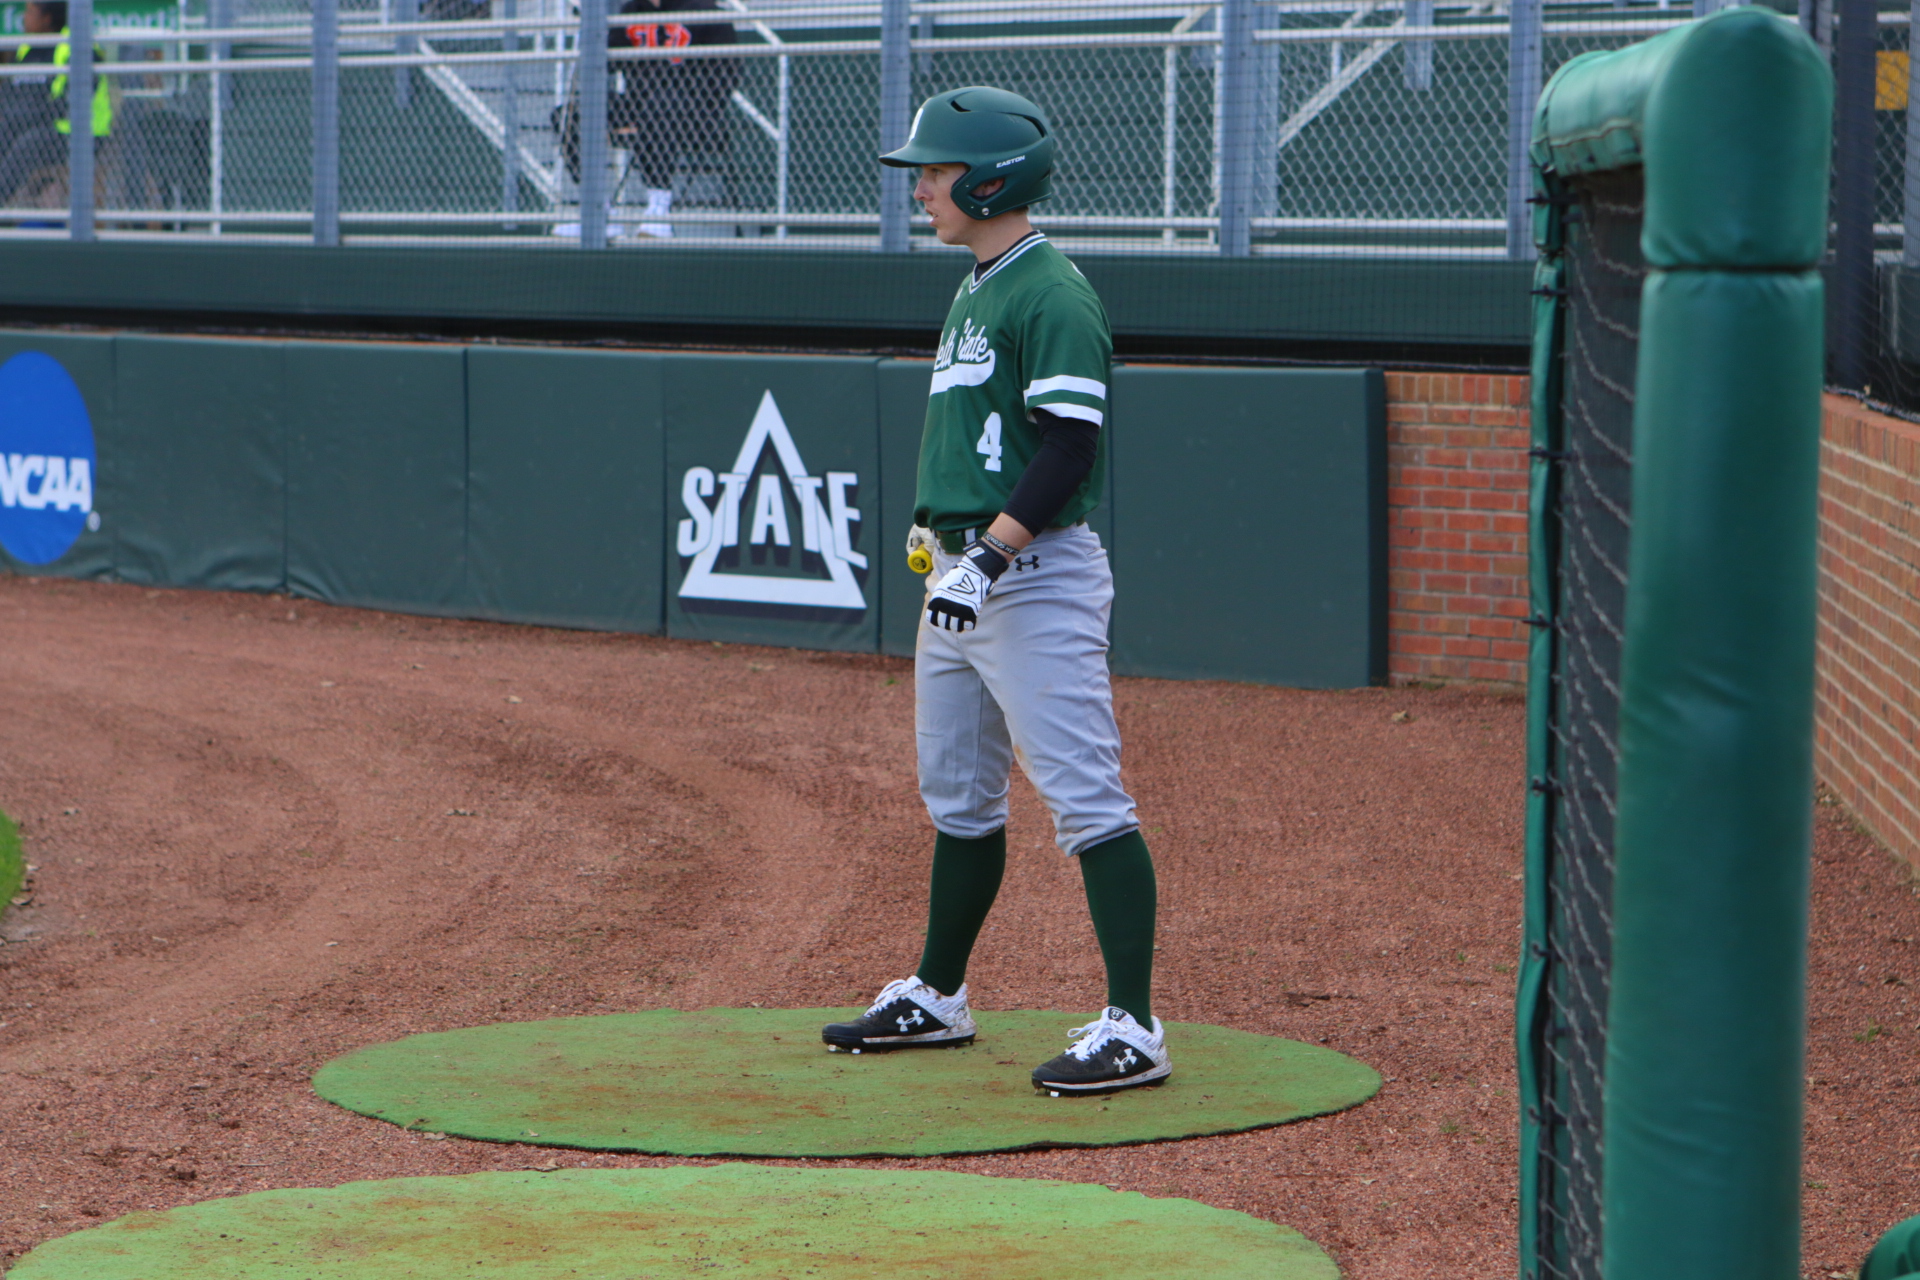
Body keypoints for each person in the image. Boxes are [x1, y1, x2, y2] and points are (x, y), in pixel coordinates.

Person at [819, 87, 1169, 1097]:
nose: (921, 185)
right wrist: (952, 549)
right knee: (961, 799)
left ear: (988, 179)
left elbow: (1072, 443)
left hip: (1031, 575)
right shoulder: (979, 283)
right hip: (961, 576)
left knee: (1088, 801)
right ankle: (938, 992)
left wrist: (994, 553)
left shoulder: (1051, 292)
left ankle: (1135, 1024)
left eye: (934, 170)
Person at [555, 0, 738, 239]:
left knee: (661, 105)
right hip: (639, 106)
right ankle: (597, 209)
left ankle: (658, 209)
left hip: (694, 113)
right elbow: (608, 62)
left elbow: (726, 75)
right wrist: (591, 31)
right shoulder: (632, 11)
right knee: (570, 114)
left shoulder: (705, 9)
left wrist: (696, 105)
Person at [0, 0, 111, 212]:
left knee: (27, 145)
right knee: (4, 134)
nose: (24, 18)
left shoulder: (78, 45)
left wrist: (27, 117)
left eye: (31, 11)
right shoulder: (27, 48)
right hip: (32, 126)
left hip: (76, 133)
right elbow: (10, 93)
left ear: (47, 19)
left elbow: (73, 100)